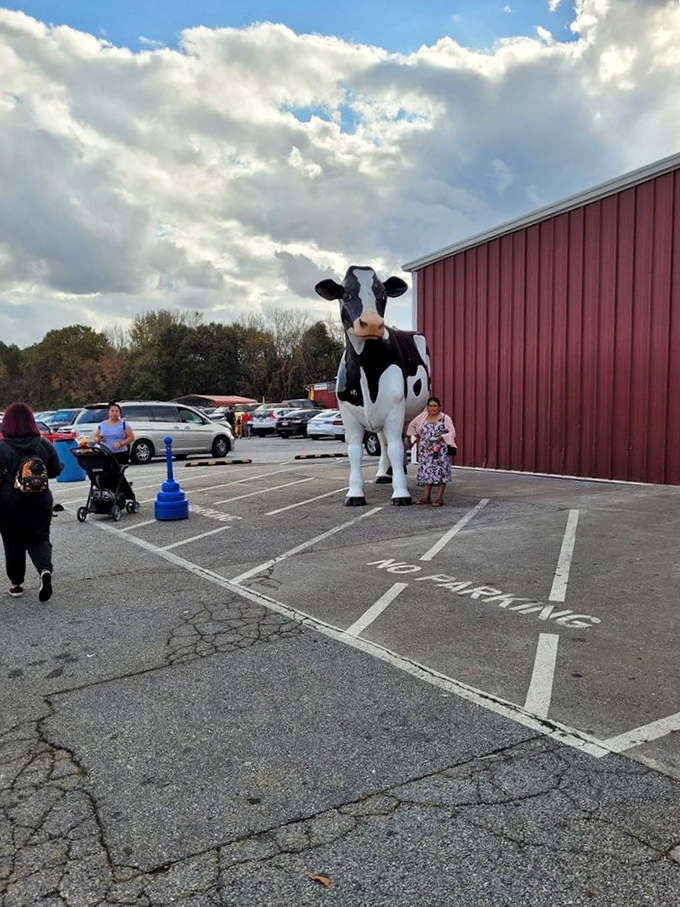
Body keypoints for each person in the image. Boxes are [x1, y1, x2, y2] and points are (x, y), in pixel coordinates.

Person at [0, 403, 63, 601]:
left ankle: (16, 584)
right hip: (40, 500)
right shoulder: (43, 443)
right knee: (39, 539)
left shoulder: (1, 447)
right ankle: (45, 571)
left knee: (13, 543)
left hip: (9, 503)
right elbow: (55, 470)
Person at [407, 396, 457, 507]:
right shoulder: (422, 417)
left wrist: (442, 437)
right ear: (427, 407)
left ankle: (439, 498)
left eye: (435, 406)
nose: (432, 408)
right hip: (425, 451)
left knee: (441, 473)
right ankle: (426, 497)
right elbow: (411, 426)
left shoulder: (445, 418)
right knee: (427, 472)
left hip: (440, 451)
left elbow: (452, 432)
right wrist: (418, 437)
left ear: (439, 407)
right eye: (430, 406)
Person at [93, 401, 136, 501]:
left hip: (120, 454)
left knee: (117, 474)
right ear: (108, 412)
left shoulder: (124, 424)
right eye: (112, 411)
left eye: (116, 411)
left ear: (119, 413)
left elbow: (131, 437)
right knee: (104, 474)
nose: (114, 413)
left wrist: (121, 443)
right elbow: (96, 437)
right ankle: (108, 494)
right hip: (106, 453)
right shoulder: (102, 424)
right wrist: (98, 439)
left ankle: (126, 494)